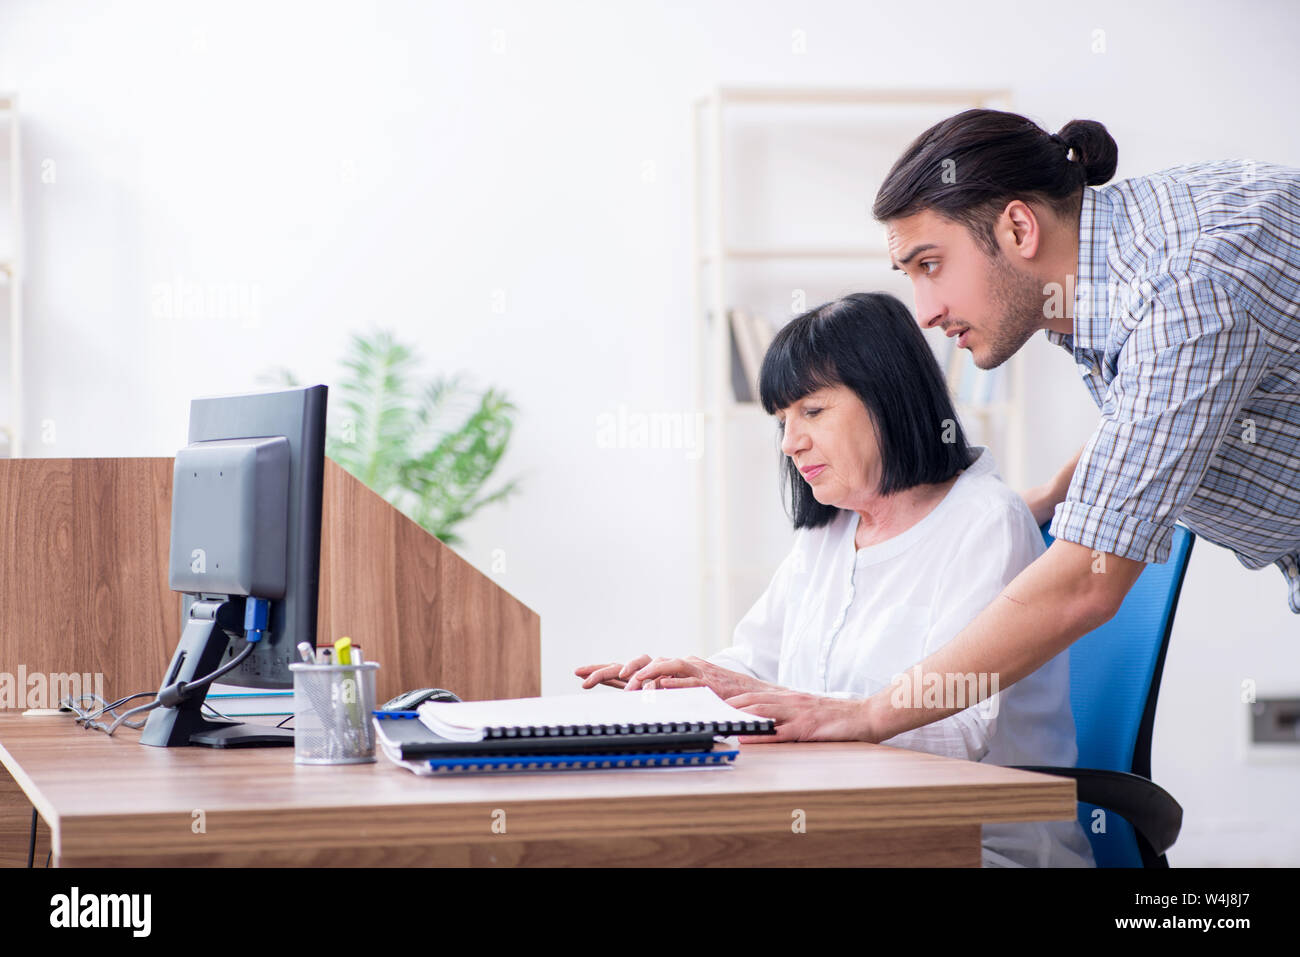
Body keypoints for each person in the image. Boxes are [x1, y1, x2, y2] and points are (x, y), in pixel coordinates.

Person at [603, 109, 1300, 754]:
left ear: (1019, 229)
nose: (926, 311)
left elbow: (1087, 584)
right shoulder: (1116, 277)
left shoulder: (1189, 288)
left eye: (931, 265)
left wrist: (866, 714)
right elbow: (1163, 420)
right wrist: (1053, 495)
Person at [577, 292, 1095, 868]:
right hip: (847, 825)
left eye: (812, 412)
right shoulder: (828, 533)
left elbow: (962, 728)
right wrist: (686, 689)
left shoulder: (985, 522)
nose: (789, 442)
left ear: (887, 398)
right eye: (782, 420)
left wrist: (820, 712)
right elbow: (757, 666)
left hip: (974, 844)